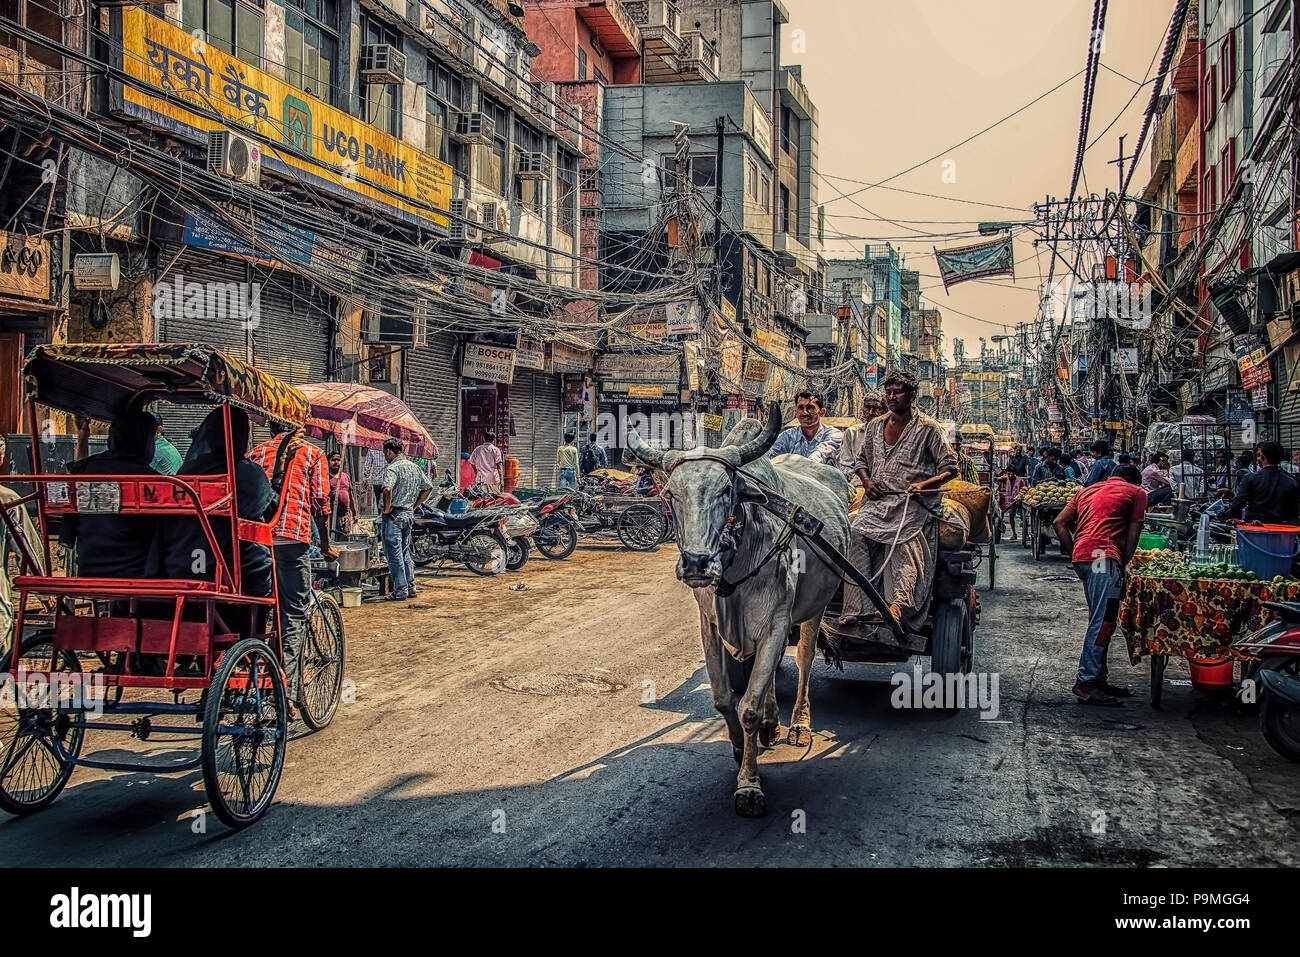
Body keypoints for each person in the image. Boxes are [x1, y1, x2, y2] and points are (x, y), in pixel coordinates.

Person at [837, 370, 958, 630]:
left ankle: (897, 605)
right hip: (877, 503)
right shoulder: (875, 426)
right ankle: (858, 608)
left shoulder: (929, 429)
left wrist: (923, 486)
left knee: (904, 540)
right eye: (888, 392)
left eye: (898, 392)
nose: (892, 397)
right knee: (854, 533)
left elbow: (950, 468)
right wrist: (867, 483)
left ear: (911, 395)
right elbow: (860, 461)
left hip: (914, 506)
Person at [250, 421, 335, 718]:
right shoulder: (312, 454)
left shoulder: (255, 454)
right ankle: (282, 690)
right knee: (293, 615)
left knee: (258, 610)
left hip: (254, 542)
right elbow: (321, 504)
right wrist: (325, 544)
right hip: (291, 539)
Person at [156, 407, 275, 596]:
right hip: (236, 575)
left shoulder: (187, 471)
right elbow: (269, 510)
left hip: (179, 567)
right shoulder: (250, 474)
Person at [1054, 464, 1147, 705]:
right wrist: (1122, 565)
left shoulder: (1086, 491)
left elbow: (1059, 523)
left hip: (1085, 558)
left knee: (1100, 617)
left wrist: (1072, 551)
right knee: (1103, 620)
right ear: (1134, 481)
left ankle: (1097, 677)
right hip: (1104, 557)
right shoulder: (1137, 493)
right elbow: (1133, 535)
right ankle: (1086, 680)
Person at [60, 410, 160, 579]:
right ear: (144, 442)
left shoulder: (86, 472)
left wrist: (83, 436)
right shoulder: (154, 481)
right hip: (138, 573)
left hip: (89, 570)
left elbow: (81, 468)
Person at [378, 437, 433, 602]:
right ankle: (411, 586)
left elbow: (387, 489)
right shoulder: (415, 467)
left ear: (389, 451)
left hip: (394, 515)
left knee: (394, 554)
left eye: (385, 453)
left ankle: (400, 590)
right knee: (404, 552)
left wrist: (387, 508)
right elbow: (428, 487)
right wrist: (415, 505)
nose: (385, 456)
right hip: (408, 514)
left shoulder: (393, 468)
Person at [1228, 441, 1300, 524]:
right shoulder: (1292, 481)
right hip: (1282, 529)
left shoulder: (1251, 478)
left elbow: (1237, 505)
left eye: (1258, 455)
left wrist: (1235, 518)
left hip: (1254, 529)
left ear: (1262, 457)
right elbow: (1294, 512)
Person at [768, 390, 843, 464]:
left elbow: (820, 453)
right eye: (800, 408)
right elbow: (770, 456)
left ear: (822, 412)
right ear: (796, 412)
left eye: (810, 407)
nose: (805, 412)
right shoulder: (787, 437)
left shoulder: (834, 435)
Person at [837, 391, 885, 482]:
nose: (871, 412)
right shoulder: (852, 433)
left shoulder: (889, 434)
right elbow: (845, 465)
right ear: (863, 409)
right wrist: (861, 480)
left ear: (884, 411)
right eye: (868, 407)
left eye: (876, 408)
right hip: (856, 482)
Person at [328, 450, 359, 536]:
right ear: (328, 462)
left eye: (338, 460)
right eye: (333, 460)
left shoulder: (345, 476)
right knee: (332, 536)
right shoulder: (325, 477)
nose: (336, 462)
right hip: (331, 515)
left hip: (345, 515)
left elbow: (351, 495)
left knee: (345, 537)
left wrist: (355, 513)